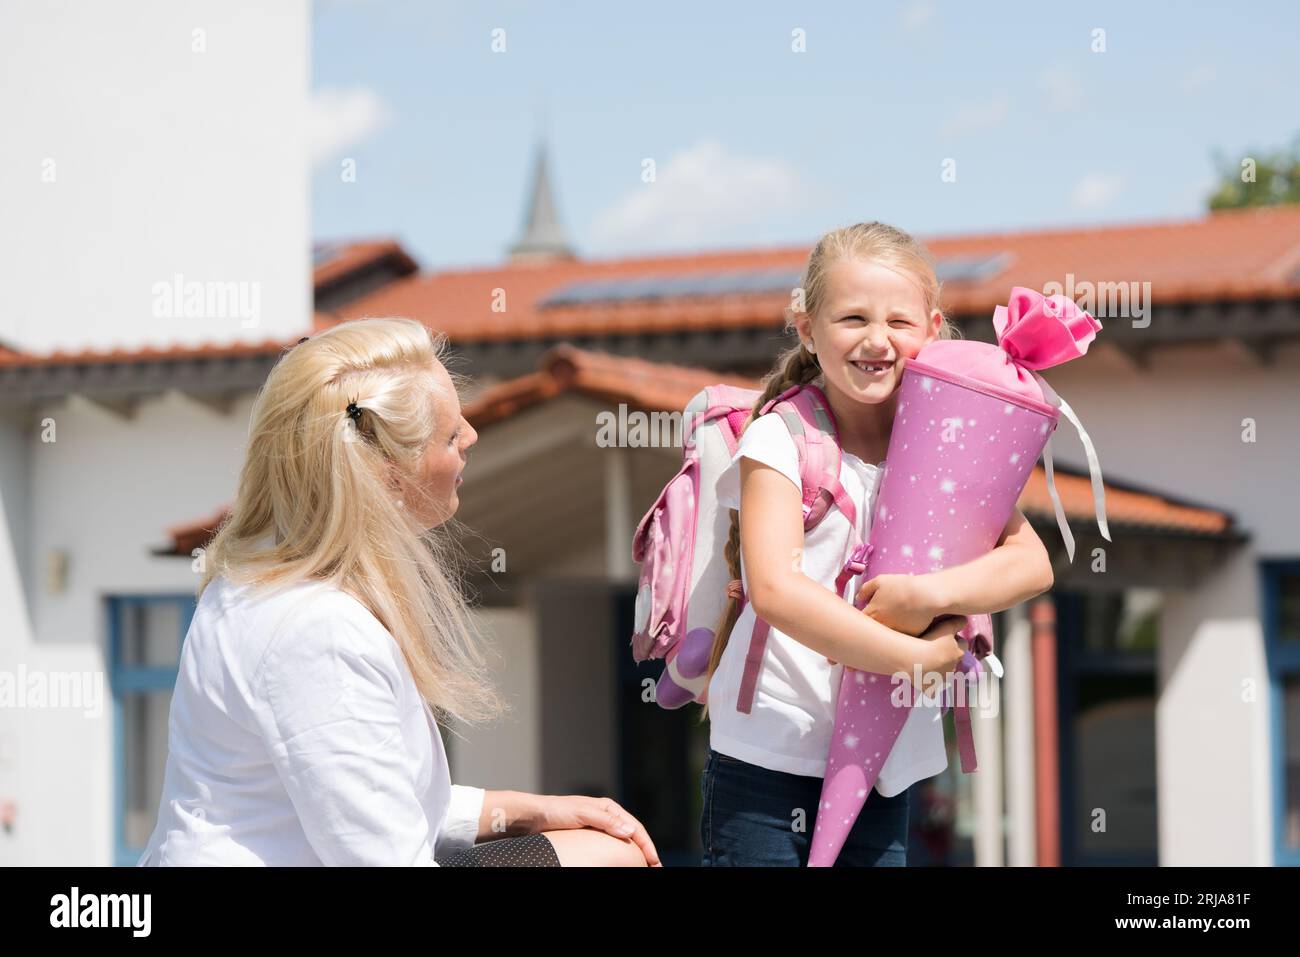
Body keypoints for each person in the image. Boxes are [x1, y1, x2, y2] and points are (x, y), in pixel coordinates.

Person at [138, 317, 659, 867]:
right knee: (609, 856)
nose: (473, 438)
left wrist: (532, 811)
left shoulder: (255, 586)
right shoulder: (317, 630)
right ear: (386, 474)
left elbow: (365, 797)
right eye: (452, 434)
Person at [700, 222, 1054, 866]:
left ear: (933, 328)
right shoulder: (779, 439)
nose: (876, 340)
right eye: (852, 318)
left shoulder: (945, 438)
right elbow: (777, 592)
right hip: (769, 758)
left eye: (899, 321)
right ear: (807, 328)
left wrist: (928, 594)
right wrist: (909, 658)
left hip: (884, 764)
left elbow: (1031, 564)